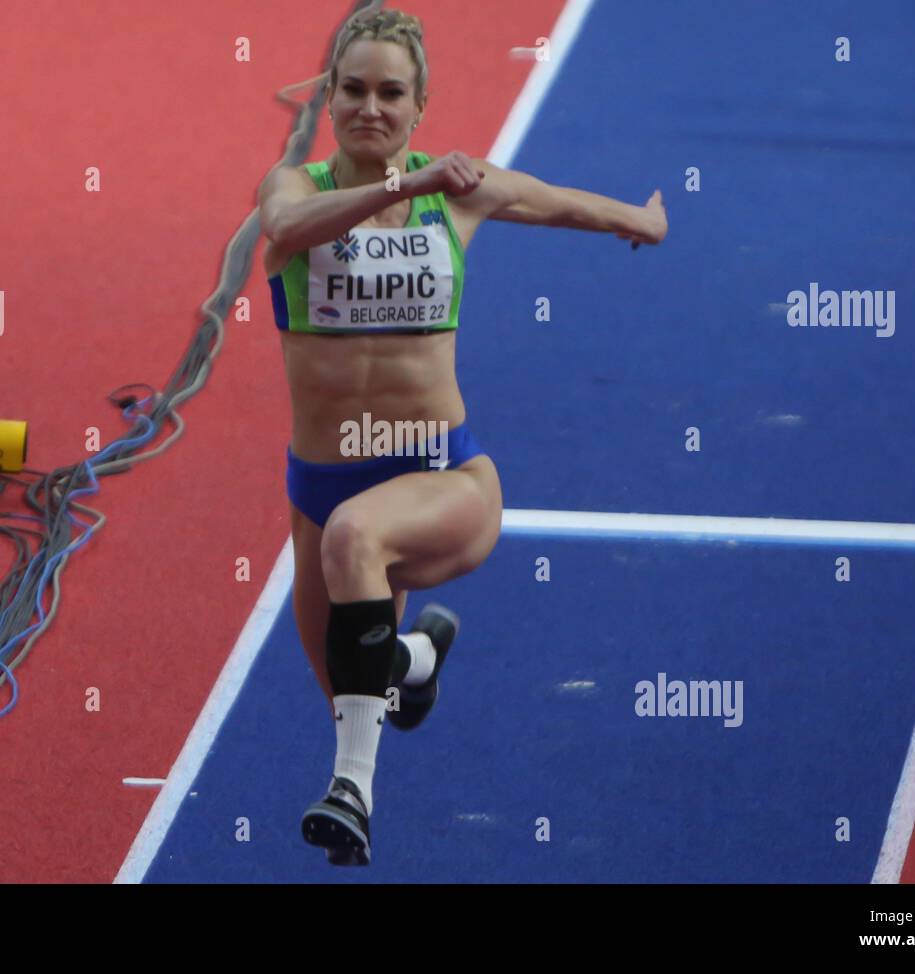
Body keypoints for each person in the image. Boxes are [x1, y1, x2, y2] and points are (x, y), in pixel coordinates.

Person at [257, 8, 667, 866]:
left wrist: (638, 217)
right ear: (329, 96)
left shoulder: (458, 193)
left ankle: (350, 796)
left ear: (421, 106)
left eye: (391, 93)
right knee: (356, 678)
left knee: (356, 540)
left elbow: (550, 201)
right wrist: (398, 187)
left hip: (445, 478)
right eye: (354, 89)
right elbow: (286, 231)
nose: (371, 107)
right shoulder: (293, 188)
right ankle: (416, 658)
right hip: (321, 489)